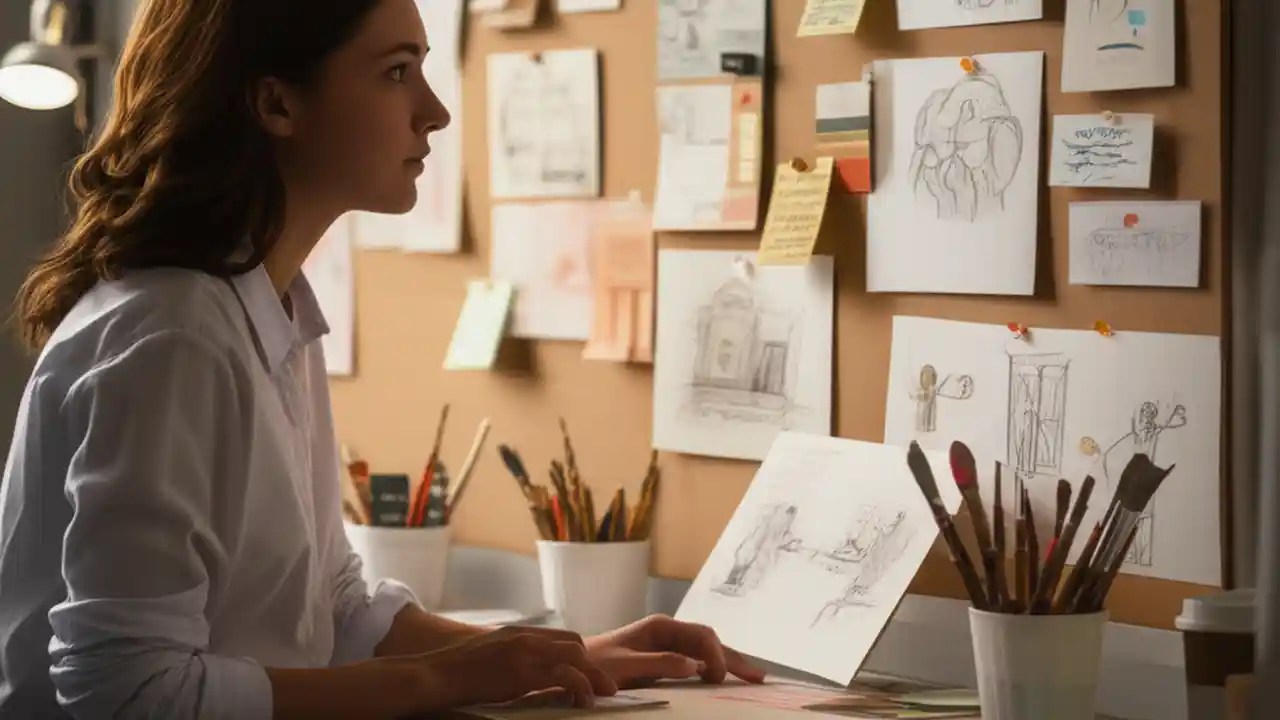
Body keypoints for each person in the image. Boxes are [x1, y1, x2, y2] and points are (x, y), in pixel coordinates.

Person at [0, 1, 765, 718]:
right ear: (276, 104)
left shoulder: (272, 307)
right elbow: (126, 690)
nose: (434, 111)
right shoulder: (174, 336)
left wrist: (575, 654)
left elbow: (337, 609)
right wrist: (449, 677)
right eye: (397, 71)